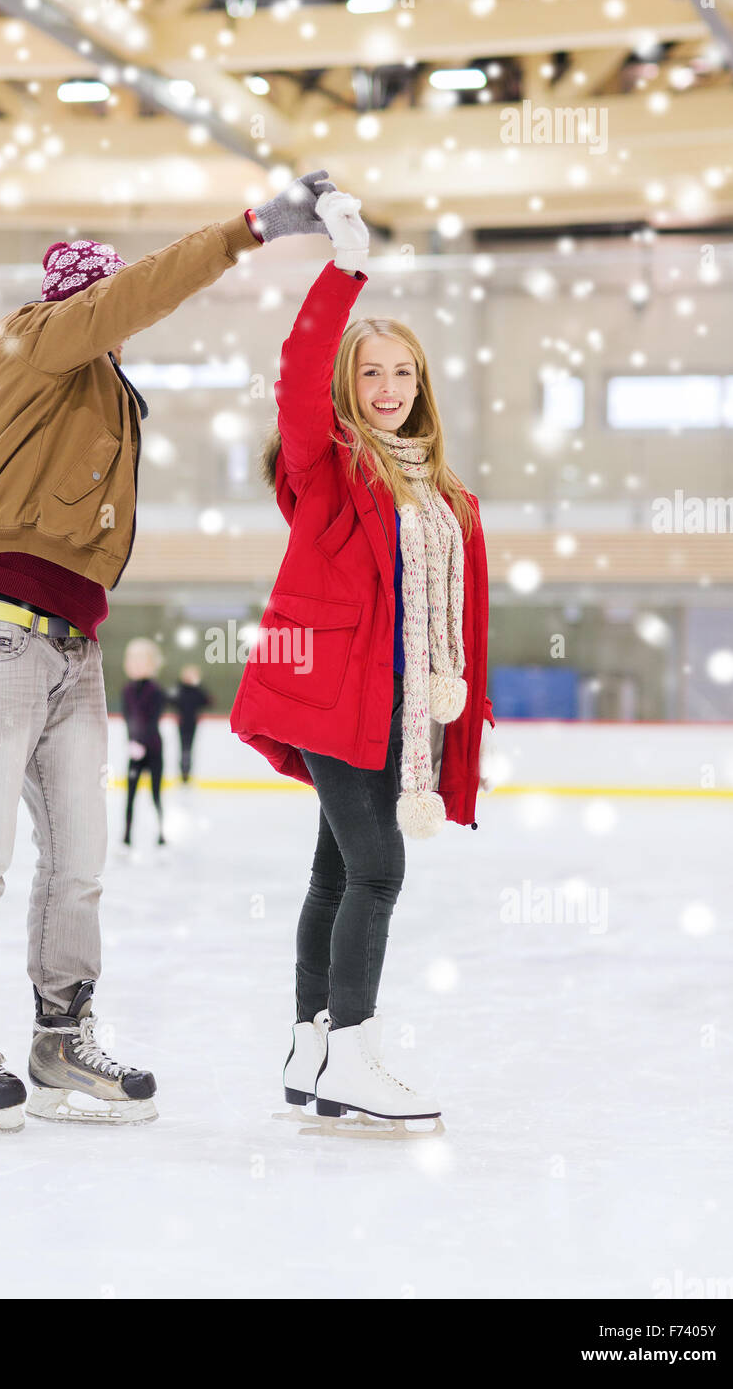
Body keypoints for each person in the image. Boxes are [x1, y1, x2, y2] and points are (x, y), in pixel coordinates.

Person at [0, 171, 340, 1132]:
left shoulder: (99, 381)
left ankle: (61, 1035)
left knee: (79, 864)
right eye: (102, 303)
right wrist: (252, 230)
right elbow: (136, 293)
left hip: (73, 647)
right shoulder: (35, 338)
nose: (117, 321)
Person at [230, 190, 495, 1137]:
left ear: (421, 383)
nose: (388, 388)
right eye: (370, 373)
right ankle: (352, 1052)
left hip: (397, 706)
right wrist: (342, 272)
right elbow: (297, 377)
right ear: (349, 384)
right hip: (329, 695)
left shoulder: (443, 489)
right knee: (378, 869)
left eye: (402, 373)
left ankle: (308, 1044)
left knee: (337, 873)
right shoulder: (329, 465)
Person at [121, 638, 167, 847]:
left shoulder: (157, 691)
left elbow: (152, 720)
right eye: (131, 659)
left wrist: (141, 742)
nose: (134, 664)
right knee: (130, 794)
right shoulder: (127, 691)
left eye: (140, 659)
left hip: (153, 749)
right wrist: (132, 742)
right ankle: (127, 834)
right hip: (134, 751)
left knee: (155, 793)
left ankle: (161, 832)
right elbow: (128, 719)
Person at [169, 664, 212, 782]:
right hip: (182, 723)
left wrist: (198, 685)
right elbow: (170, 699)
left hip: (192, 723)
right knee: (183, 748)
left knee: (188, 749)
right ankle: (183, 773)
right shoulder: (179, 689)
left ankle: (187, 773)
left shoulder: (197, 690)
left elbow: (208, 700)